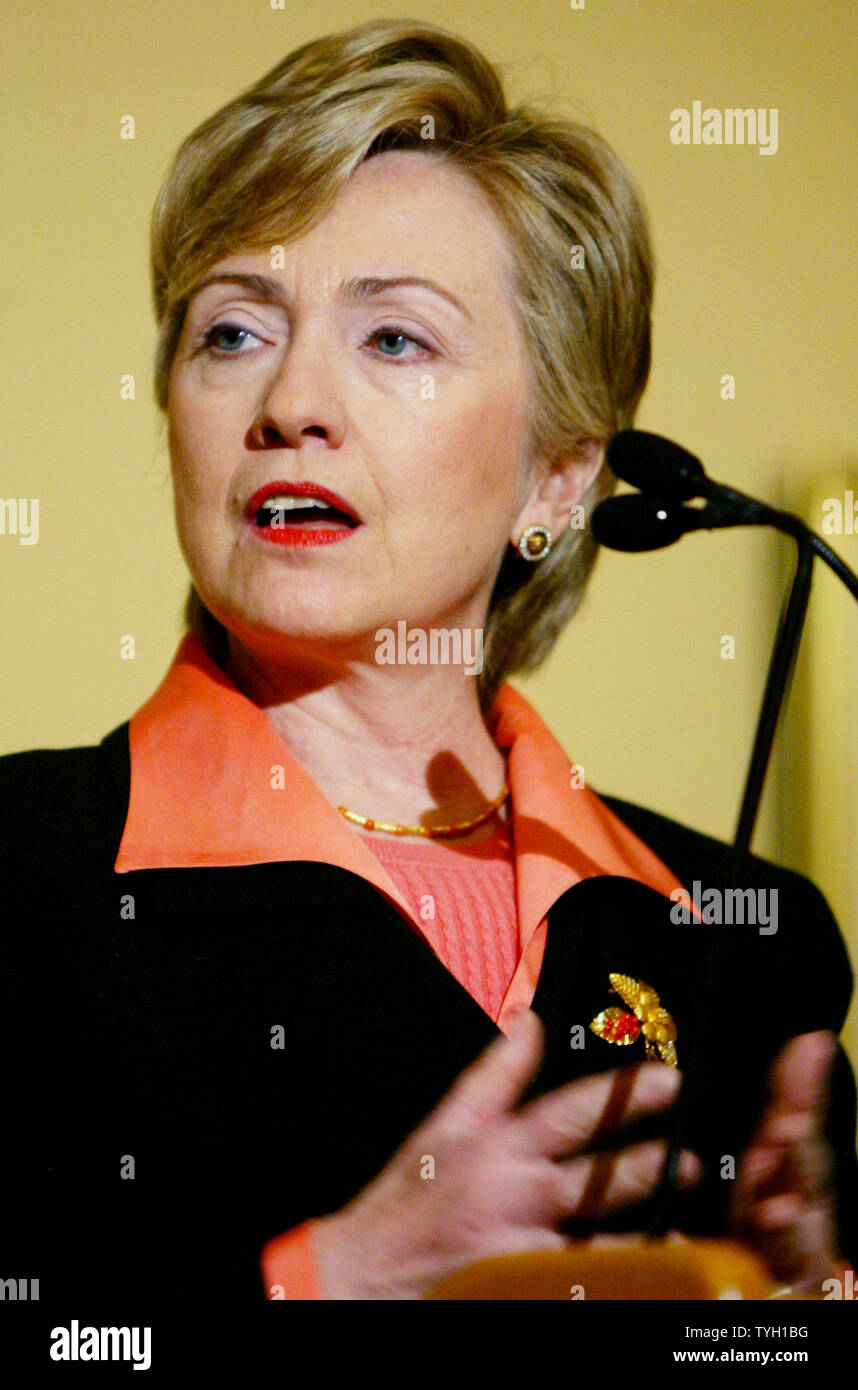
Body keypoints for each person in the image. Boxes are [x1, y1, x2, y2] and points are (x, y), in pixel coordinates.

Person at [2, 18, 855, 1302]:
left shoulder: (746, 938)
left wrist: (799, 1313)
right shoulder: (23, 879)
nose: (290, 400)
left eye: (394, 339)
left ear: (560, 477)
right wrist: (332, 1280)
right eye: (233, 332)